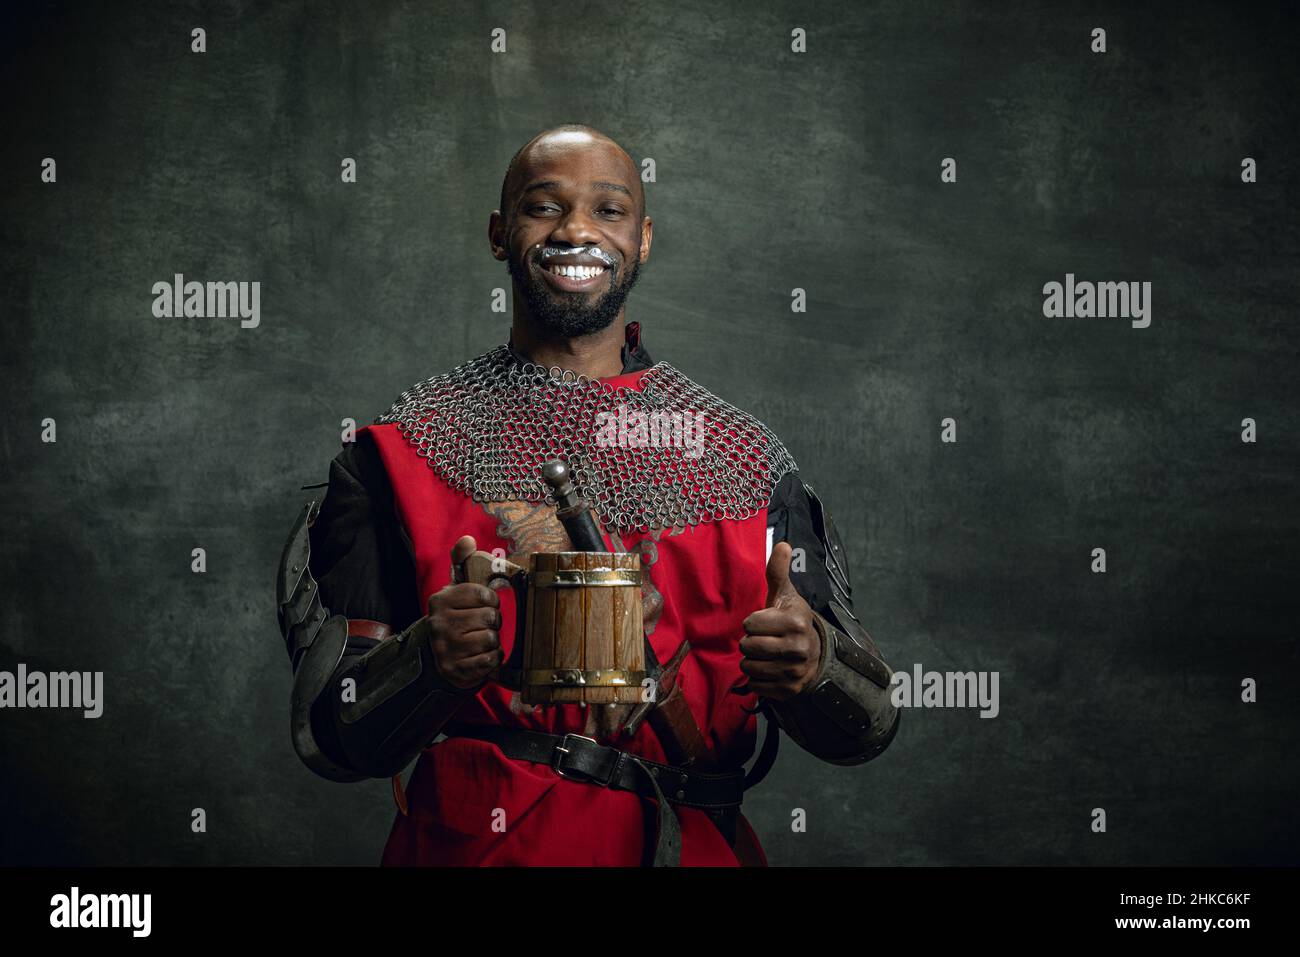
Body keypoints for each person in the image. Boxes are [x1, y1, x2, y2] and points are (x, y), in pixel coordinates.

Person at [276, 124, 900, 866]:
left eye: (608, 210)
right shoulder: (402, 451)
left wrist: (813, 663)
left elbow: (870, 724)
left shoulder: (745, 458)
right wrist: (428, 662)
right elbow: (331, 738)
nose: (576, 229)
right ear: (500, 235)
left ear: (642, 239)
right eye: (545, 207)